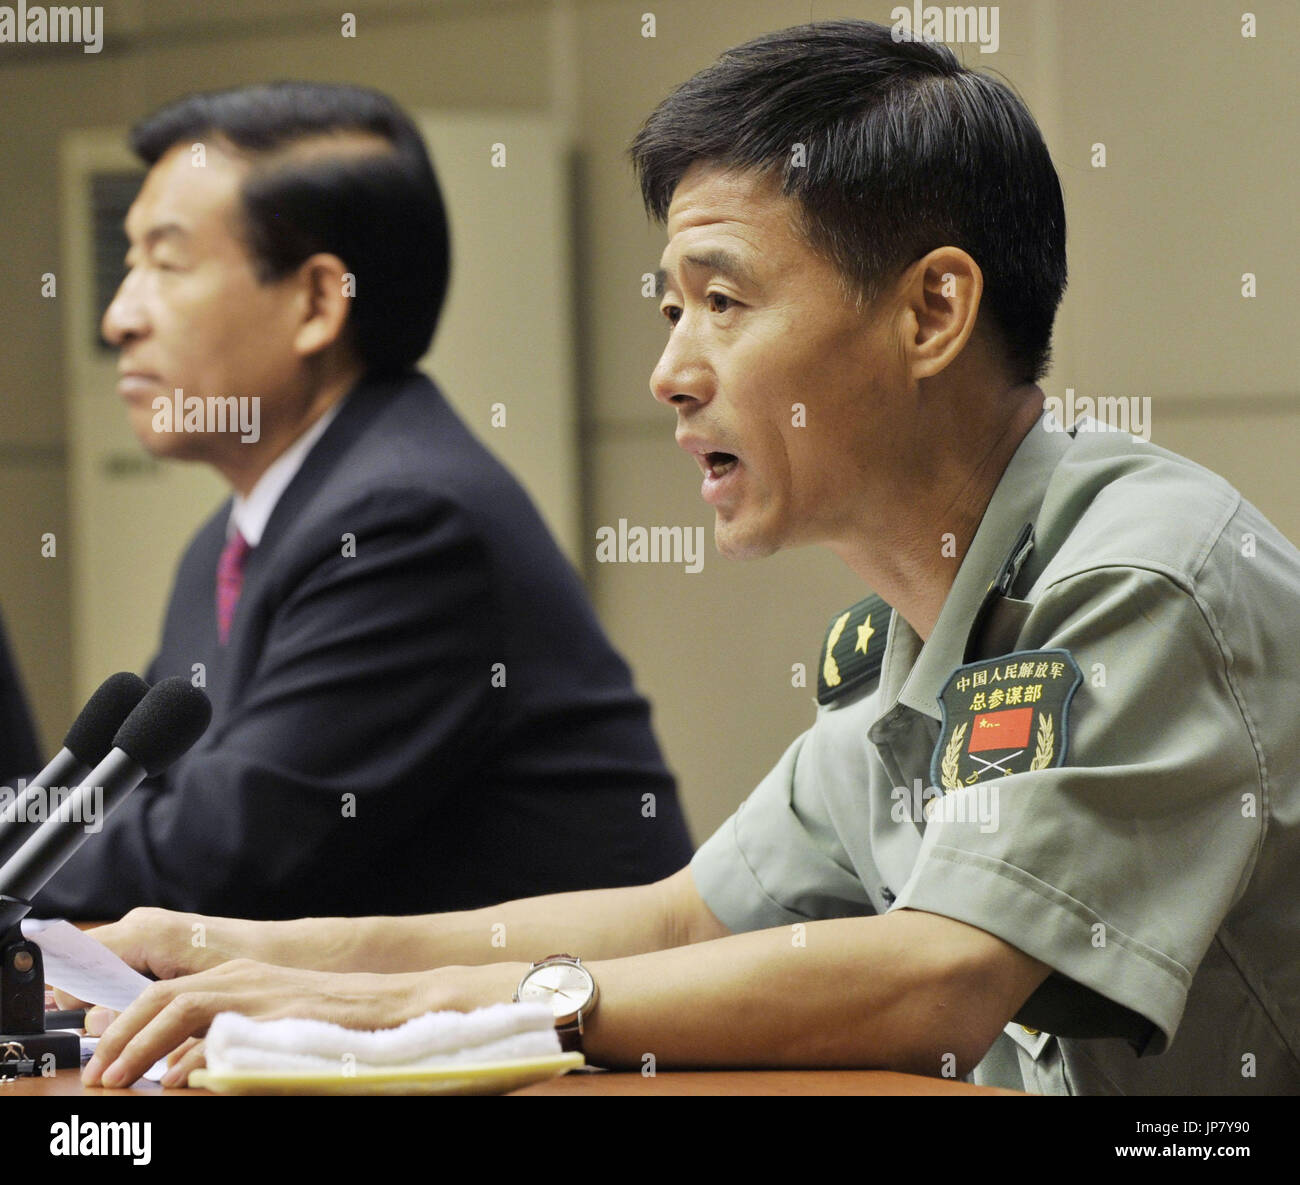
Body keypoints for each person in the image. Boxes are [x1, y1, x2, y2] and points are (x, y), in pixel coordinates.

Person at [69, 24, 1298, 1095]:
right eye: (670, 310)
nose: (670, 373)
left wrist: (435, 1011)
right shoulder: (908, 636)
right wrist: (239, 951)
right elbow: (683, 915)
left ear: (932, 311)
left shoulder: (1136, 579)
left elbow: (946, 975)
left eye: (724, 301)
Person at [30, 82, 692, 922]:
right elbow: (142, 806)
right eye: (128, 262)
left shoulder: (408, 521)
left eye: (165, 263)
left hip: (576, 1046)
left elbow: (219, 853)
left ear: (315, 302)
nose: (119, 315)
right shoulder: (229, 543)